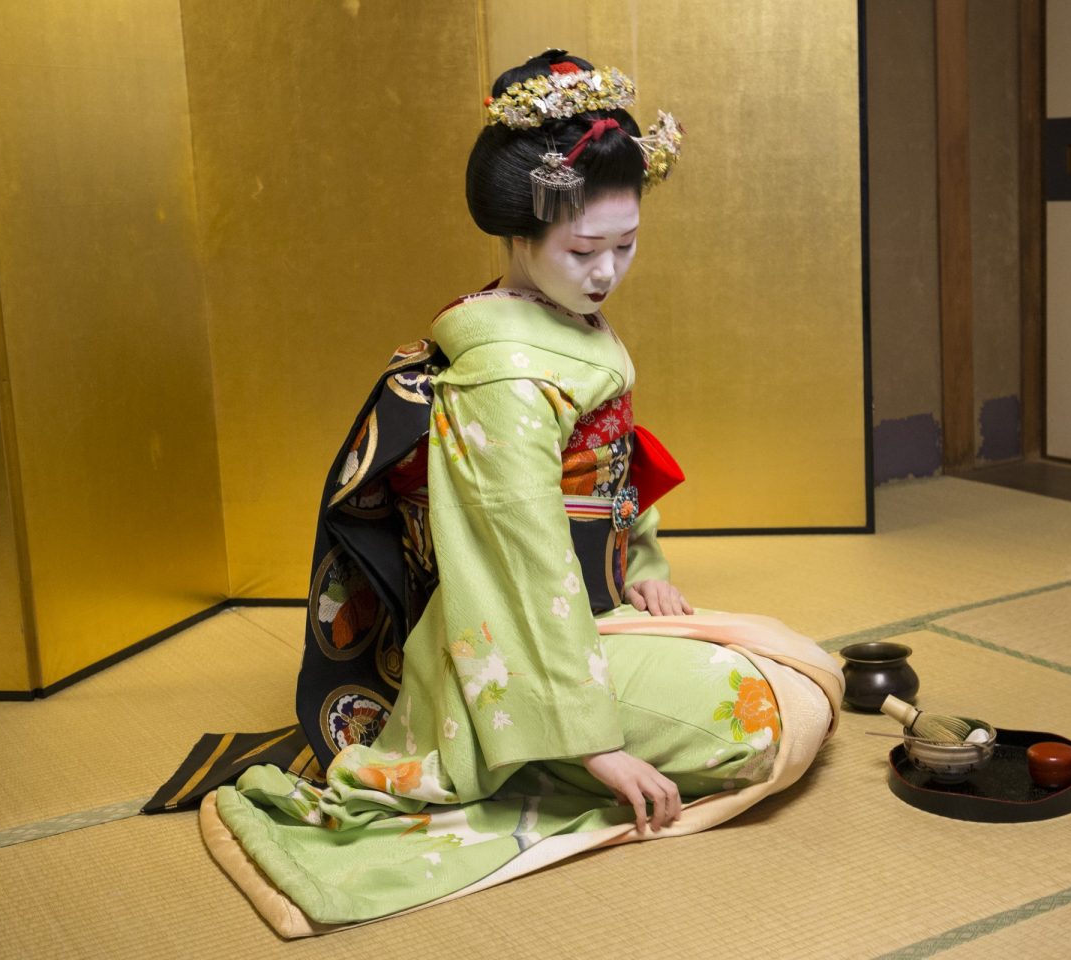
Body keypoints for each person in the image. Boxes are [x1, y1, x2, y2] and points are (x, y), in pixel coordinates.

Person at [191, 50, 842, 932]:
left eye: (626, 243)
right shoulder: (506, 375)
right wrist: (596, 743)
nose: (608, 272)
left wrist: (640, 560)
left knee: (807, 664)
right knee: (767, 719)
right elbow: (519, 563)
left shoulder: (560, 323)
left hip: (588, 610)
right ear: (519, 233)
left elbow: (612, 477)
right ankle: (532, 750)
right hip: (506, 647)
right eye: (585, 249)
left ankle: (570, 725)